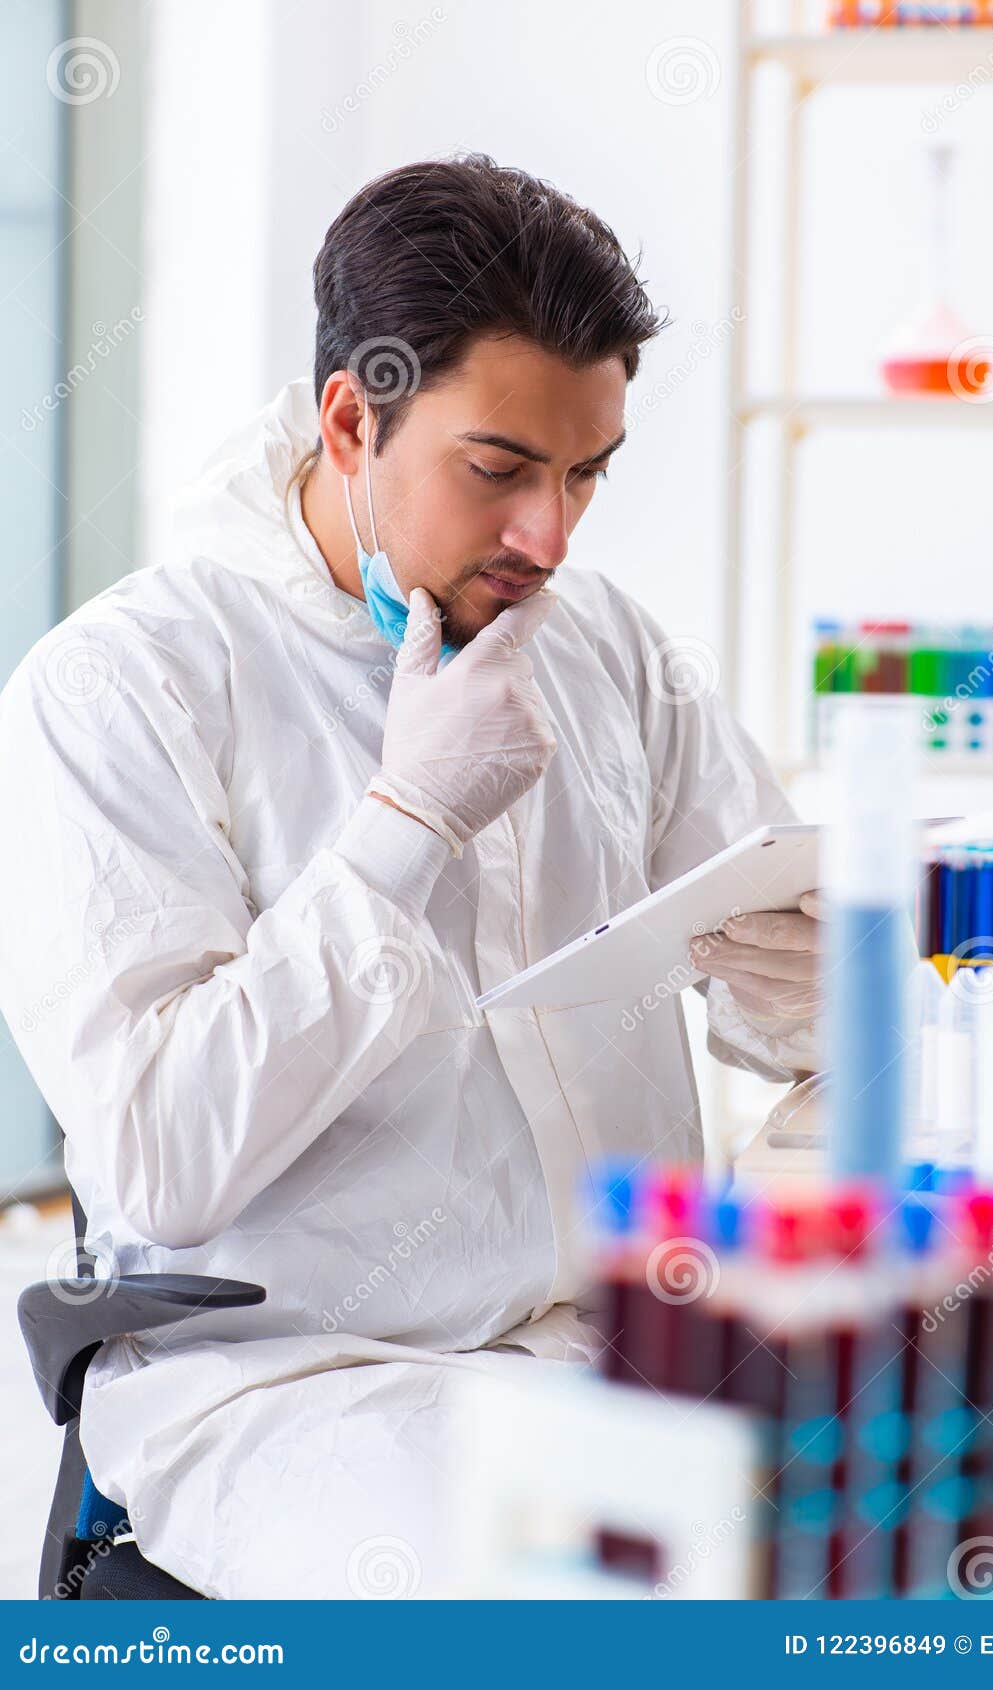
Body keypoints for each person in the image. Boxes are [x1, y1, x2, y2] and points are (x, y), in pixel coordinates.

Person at [0, 155, 823, 1599]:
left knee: (947, 1503)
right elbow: (162, 1158)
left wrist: (818, 976)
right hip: (306, 1385)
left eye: (585, 474)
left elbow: (792, 993)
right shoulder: (120, 687)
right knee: (581, 1598)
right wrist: (403, 826)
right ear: (349, 419)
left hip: (627, 1345)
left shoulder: (609, 648)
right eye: (499, 470)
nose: (550, 537)